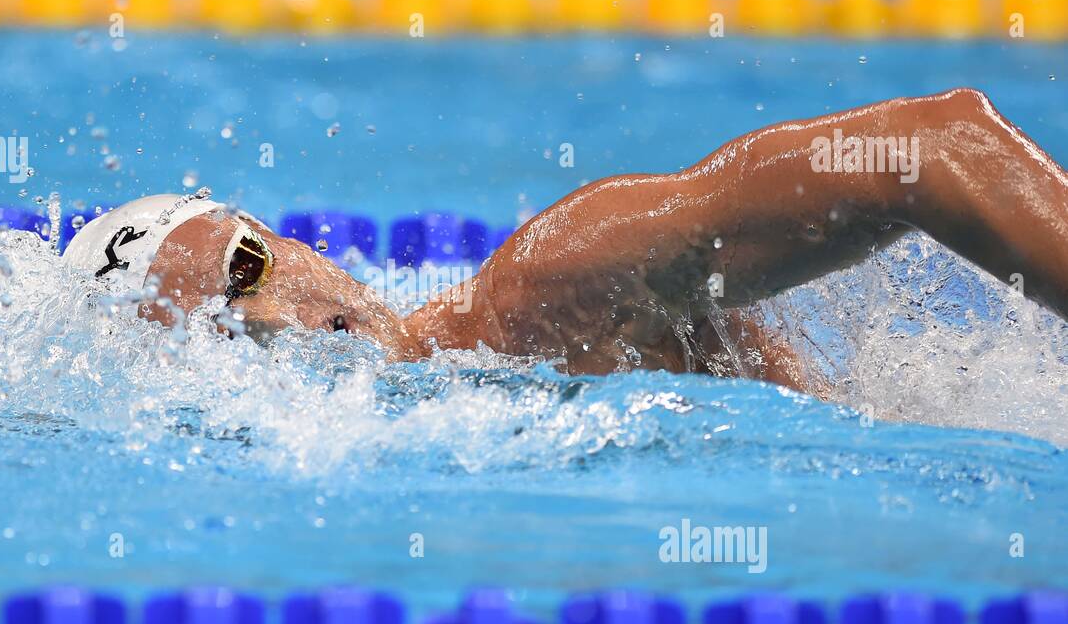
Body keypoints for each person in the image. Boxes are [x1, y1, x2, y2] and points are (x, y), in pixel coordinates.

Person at [63, 88, 1068, 394]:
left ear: (290, 241)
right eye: (235, 332)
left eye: (251, 267)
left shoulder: (545, 286)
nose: (287, 314)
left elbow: (929, 147)